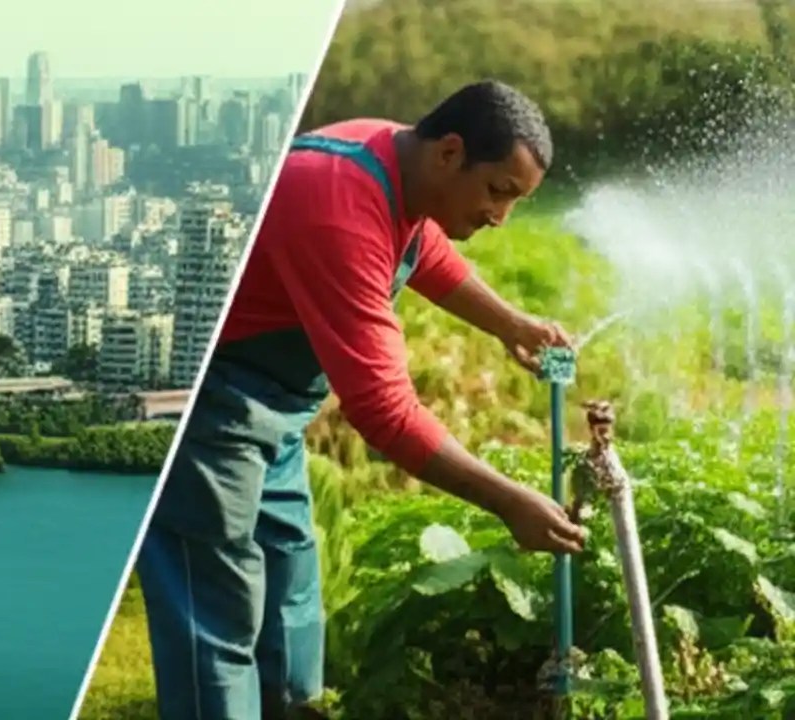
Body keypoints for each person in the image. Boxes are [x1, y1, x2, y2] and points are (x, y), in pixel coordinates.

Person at [134, 79, 590, 720]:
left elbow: (420, 249)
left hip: (277, 409)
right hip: (214, 410)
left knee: (290, 579)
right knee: (215, 599)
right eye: (499, 192)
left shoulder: (392, 157)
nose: (500, 216)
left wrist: (509, 323)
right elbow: (385, 412)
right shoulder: (335, 209)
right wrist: (508, 501)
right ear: (451, 153)